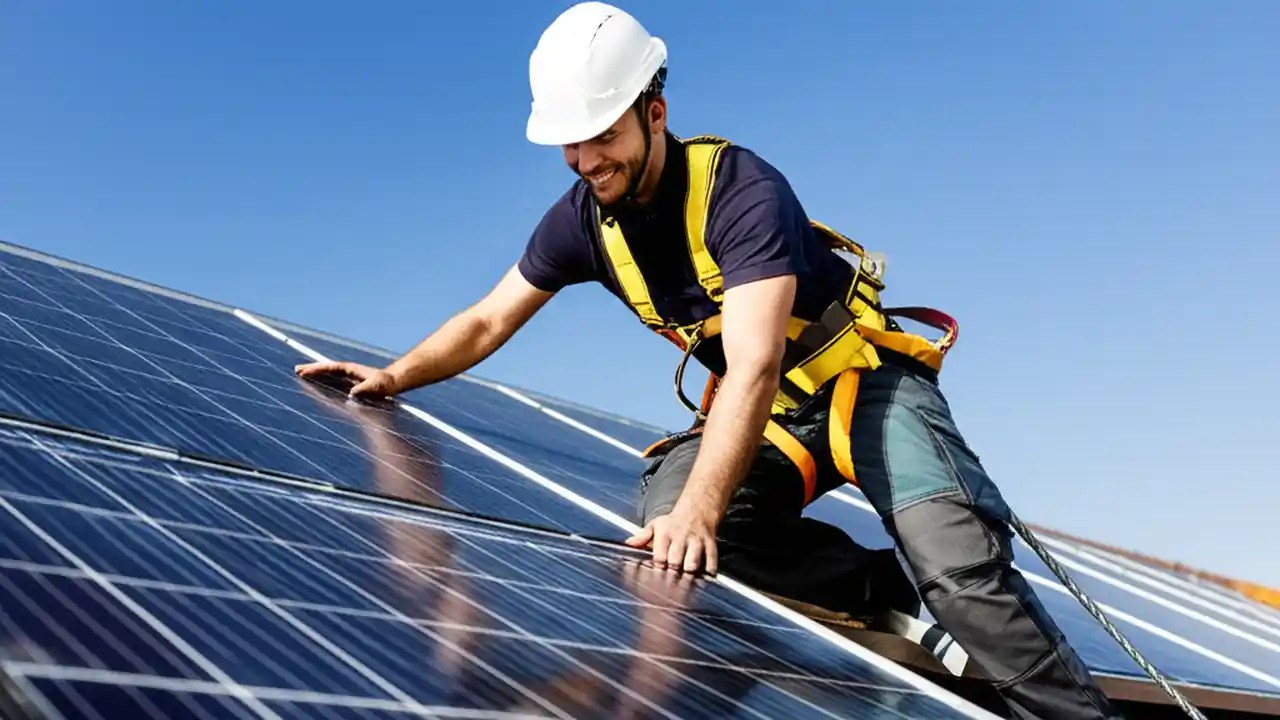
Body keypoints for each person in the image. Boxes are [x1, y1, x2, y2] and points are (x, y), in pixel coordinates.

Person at [296, 3, 1122, 718]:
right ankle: (884, 593)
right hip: (779, 419)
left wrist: (702, 508)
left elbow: (756, 364)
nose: (587, 162)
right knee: (671, 516)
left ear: (655, 111)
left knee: (962, 573)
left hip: (863, 386)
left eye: (603, 136)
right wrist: (396, 377)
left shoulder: (741, 191)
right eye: (571, 146)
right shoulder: (582, 220)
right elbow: (485, 319)